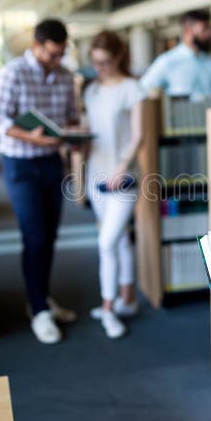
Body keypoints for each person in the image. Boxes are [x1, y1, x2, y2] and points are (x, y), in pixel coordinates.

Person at [0, 18, 78, 345]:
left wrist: (74, 134)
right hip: (19, 163)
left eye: (61, 54)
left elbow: (70, 116)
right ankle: (39, 309)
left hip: (52, 162)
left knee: (49, 235)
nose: (57, 60)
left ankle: (41, 298)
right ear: (36, 46)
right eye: (52, 54)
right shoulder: (12, 73)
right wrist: (32, 137)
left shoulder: (65, 76)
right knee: (35, 235)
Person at [82, 30, 145, 339]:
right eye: (95, 62)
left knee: (106, 243)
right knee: (118, 241)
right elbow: (90, 130)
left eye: (105, 62)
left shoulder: (132, 88)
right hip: (95, 174)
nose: (100, 68)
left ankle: (108, 309)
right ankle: (127, 300)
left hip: (124, 177)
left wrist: (122, 166)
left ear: (119, 56)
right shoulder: (91, 90)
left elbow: (138, 135)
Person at [139, 9, 211, 95]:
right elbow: (143, 89)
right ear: (187, 31)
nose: (210, 33)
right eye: (204, 29)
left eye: (210, 29)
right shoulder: (167, 61)